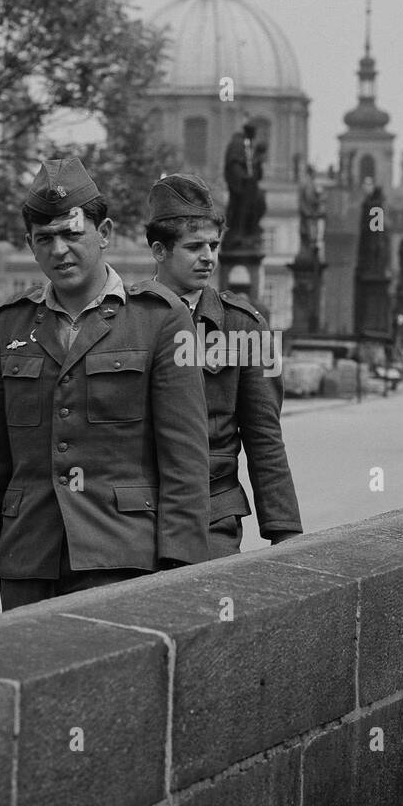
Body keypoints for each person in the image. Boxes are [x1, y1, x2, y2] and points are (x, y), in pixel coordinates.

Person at [0, 156, 209, 618]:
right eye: (45, 239)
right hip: (29, 558)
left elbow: (185, 457)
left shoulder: (160, 319)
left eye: (72, 234)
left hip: (123, 556)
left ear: (104, 233)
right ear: (30, 245)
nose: (60, 250)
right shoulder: (10, 324)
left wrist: (182, 565)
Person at [145, 173, 302, 557]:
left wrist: (285, 532)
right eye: (194, 246)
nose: (209, 257)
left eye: (213, 245)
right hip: (137, 515)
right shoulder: (128, 319)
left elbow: (264, 435)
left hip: (213, 515)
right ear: (159, 250)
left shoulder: (245, 326)